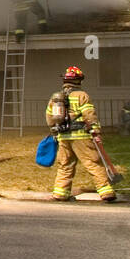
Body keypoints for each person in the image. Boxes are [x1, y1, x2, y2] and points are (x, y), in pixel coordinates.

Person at [46, 66, 116, 202]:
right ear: (78, 81)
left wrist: (54, 129)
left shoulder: (55, 98)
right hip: (81, 136)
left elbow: (49, 116)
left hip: (63, 136)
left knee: (65, 165)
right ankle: (106, 192)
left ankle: (60, 193)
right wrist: (96, 131)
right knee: (93, 163)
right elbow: (89, 115)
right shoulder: (82, 96)